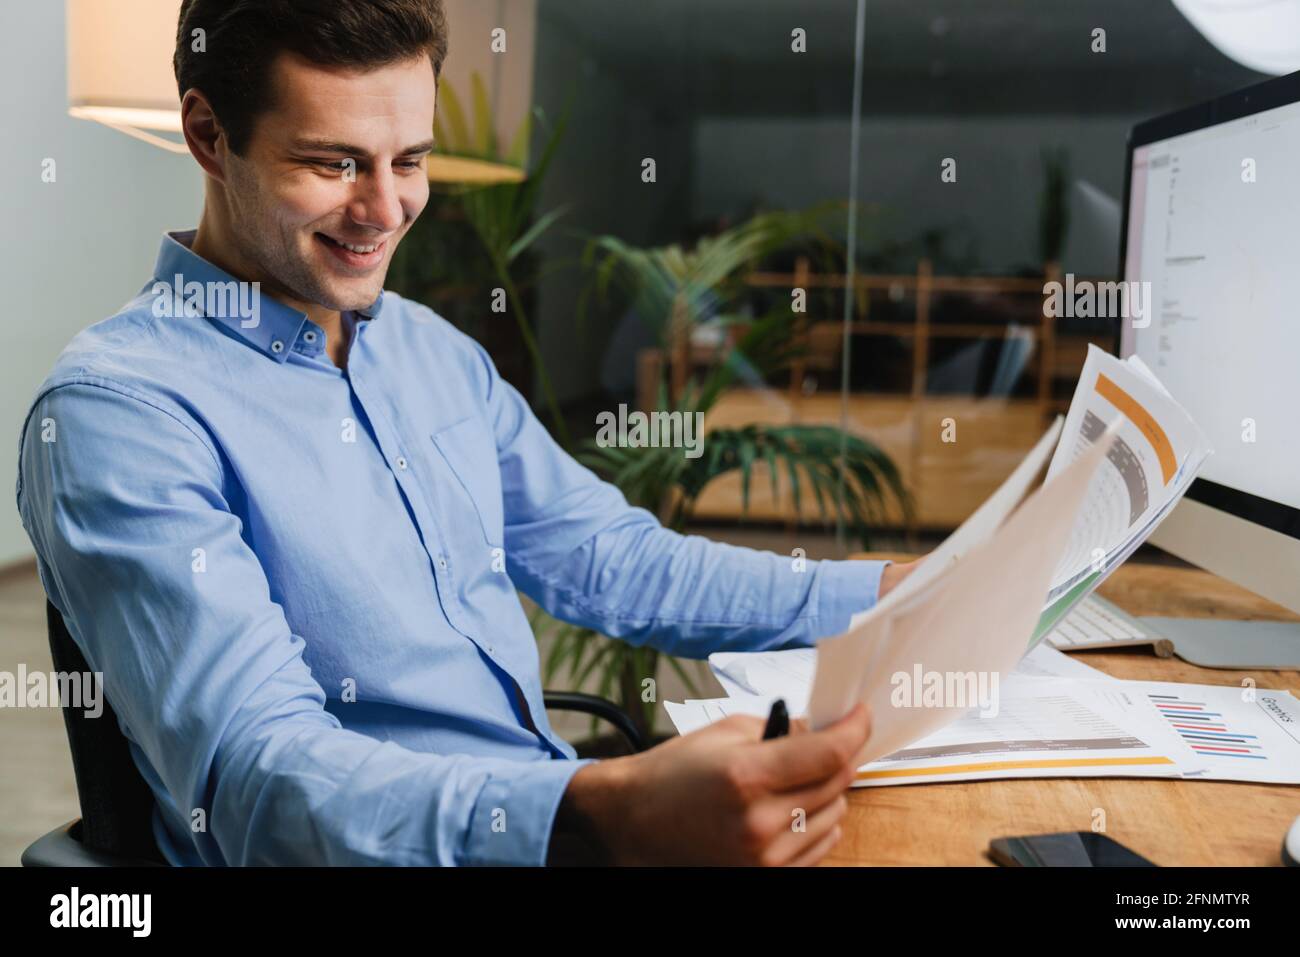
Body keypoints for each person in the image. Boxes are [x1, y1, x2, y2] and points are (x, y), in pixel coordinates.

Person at [16, 0, 918, 866]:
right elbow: (264, 780)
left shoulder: (432, 351)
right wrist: (606, 811)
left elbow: (613, 561)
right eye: (334, 164)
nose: (385, 209)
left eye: (409, 159)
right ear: (209, 134)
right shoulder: (120, 413)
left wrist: (889, 593)